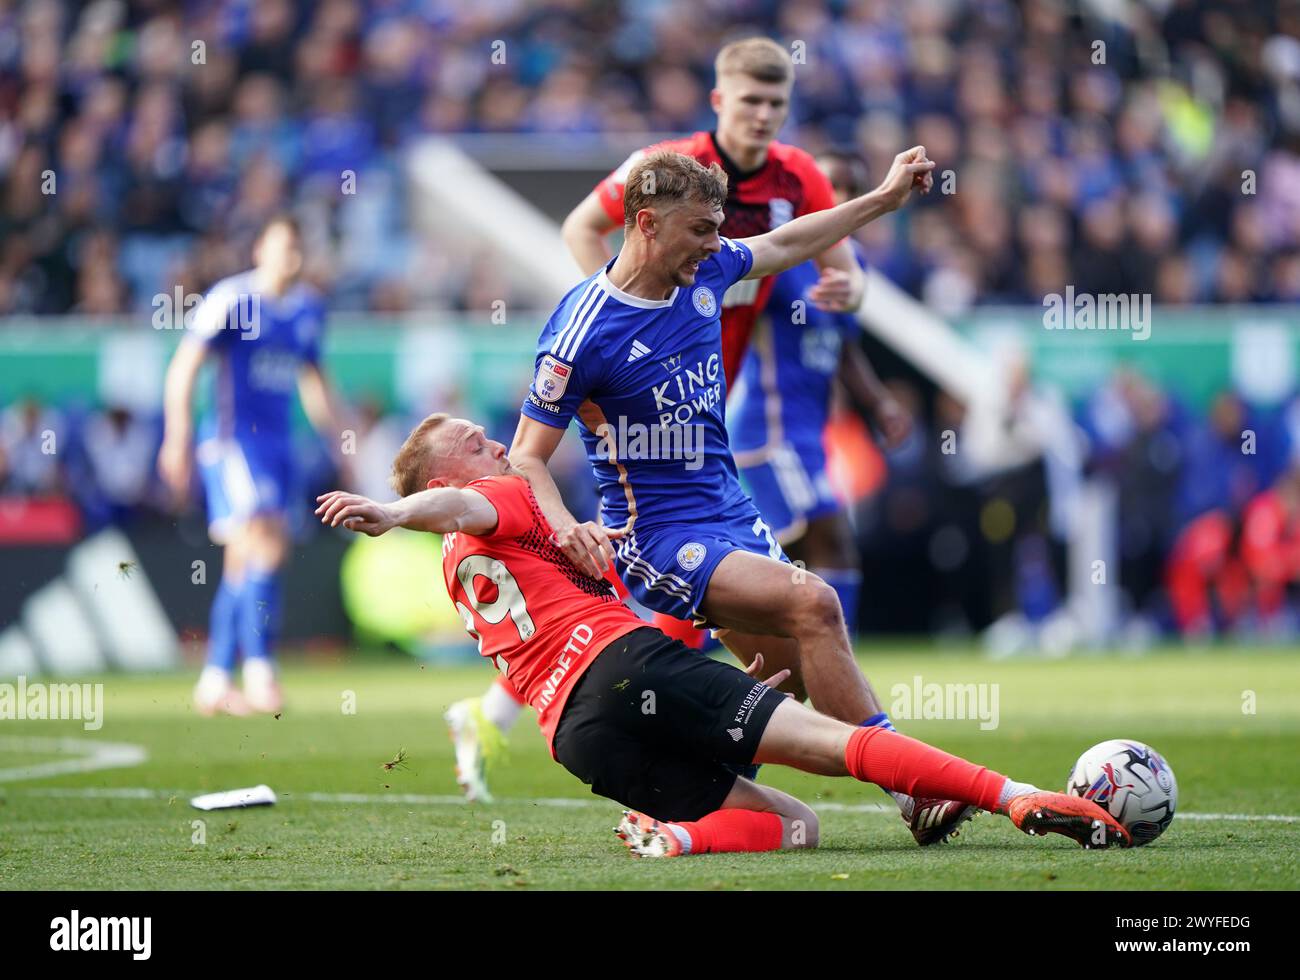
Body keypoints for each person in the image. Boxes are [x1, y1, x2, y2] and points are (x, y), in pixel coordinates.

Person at [315, 413, 1131, 856]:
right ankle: (1014, 797)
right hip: (624, 666)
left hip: (577, 737)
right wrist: (391, 510)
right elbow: (451, 504)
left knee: (797, 826)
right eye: (473, 443)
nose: (497, 444)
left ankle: (679, 836)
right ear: (448, 475)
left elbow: (455, 518)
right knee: (836, 742)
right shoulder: (496, 498)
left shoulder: (463, 566)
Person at [507, 145, 992, 846]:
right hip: (658, 535)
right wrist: (564, 525)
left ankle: (673, 797)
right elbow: (526, 455)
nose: (716, 244)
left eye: (717, 228)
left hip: (730, 513)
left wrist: (882, 201)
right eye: (700, 229)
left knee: (785, 684)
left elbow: (789, 240)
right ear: (644, 223)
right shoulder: (581, 331)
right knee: (814, 601)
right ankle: (914, 789)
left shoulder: (710, 270)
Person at [158, 215, 351, 716]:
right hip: (234, 441)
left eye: (298, 246)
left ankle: (216, 678)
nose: (292, 256)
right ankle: (261, 669)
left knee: (248, 560)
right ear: (260, 249)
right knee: (263, 540)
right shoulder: (232, 299)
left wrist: (341, 442)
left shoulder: (308, 309)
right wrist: (177, 437)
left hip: (282, 446)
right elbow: (185, 366)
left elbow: (315, 382)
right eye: (283, 245)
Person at [730, 152, 912, 639]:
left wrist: (879, 403)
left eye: (848, 188)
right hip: (768, 428)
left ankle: (819, 660)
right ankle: (796, 661)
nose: (837, 198)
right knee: (813, 543)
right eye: (827, 186)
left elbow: (842, 346)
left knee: (820, 549)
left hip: (809, 433)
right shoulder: (781, 258)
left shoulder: (848, 265)